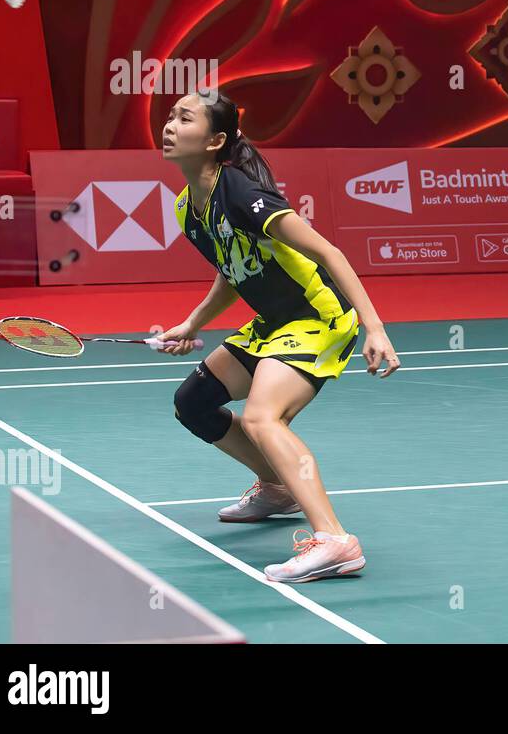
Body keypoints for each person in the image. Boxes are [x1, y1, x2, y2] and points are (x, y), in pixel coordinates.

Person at [159, 91, 399, 582]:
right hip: (274, 320)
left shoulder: (244, 194)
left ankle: (335, 540)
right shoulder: (189, 207)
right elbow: (234, 270)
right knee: (195, 402)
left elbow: (330, 253)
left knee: (264, 417)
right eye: (170, 116)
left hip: (318, 316)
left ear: (215, 141)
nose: (170, 125)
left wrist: (375, 327)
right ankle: (276, 486)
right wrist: (194, 322)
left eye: (184, 118)